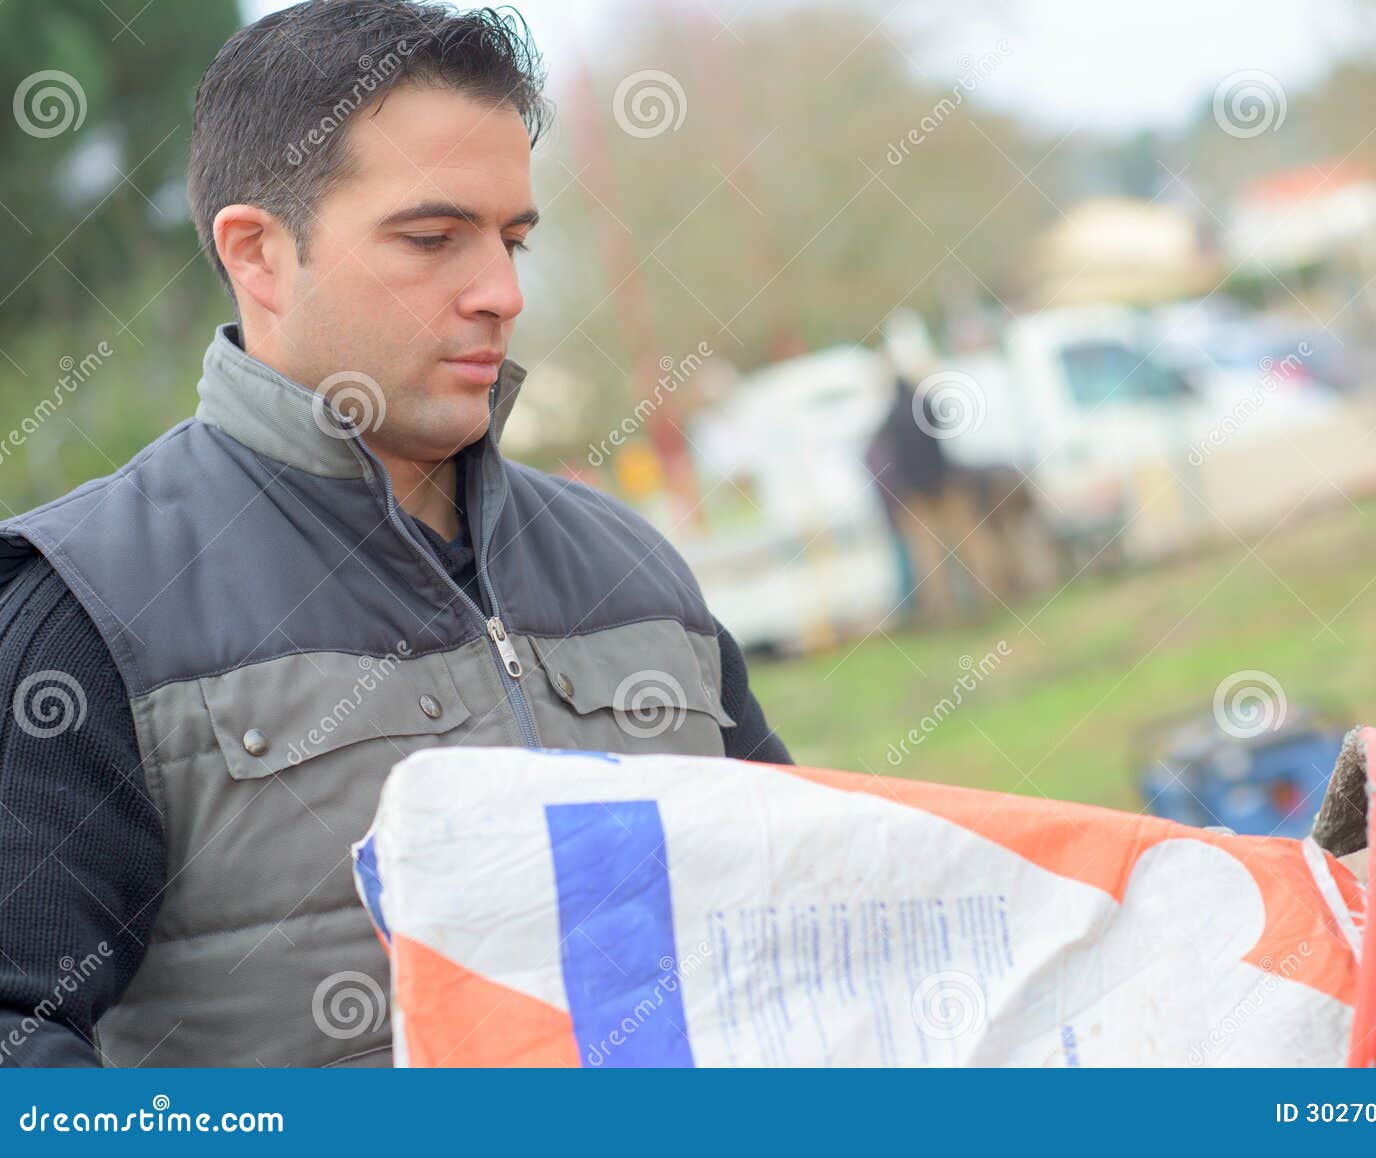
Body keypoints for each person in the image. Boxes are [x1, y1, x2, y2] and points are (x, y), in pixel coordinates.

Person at [0, 0, 787, 1069]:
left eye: (512, 239)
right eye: (433, 238)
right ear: (260, 255)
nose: (502, 293)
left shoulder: (632, 570)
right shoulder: (84, 608)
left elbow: (799, 923)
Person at [865, 374, 1002, 624]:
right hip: (945, 483)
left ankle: (942, 610)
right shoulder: (924, 406)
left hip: (915, 494)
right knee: (971, 542)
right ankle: (989, 593)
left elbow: (890, 457)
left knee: (929, 558)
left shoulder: (891, 417)